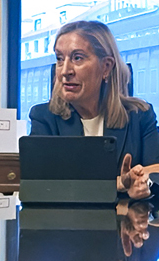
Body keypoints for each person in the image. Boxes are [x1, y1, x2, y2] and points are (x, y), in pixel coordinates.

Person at [28, 20, 158, 199]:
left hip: (127, 223)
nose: (65, 71)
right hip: (65, 224)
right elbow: (39, 185)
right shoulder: (44, 118)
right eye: (59, 59)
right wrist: (117, 183)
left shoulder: (140, 115)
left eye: (77, 58)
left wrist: (143, 183)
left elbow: (156, 170)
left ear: (106, 66)